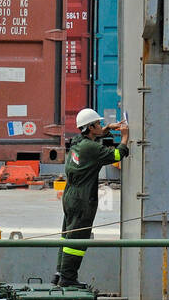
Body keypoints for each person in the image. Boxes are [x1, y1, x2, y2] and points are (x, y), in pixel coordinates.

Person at [54, 107, 130, 288]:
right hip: (82, 199)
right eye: (98, 123)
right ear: (89, 127)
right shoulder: (91, 148)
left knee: (67, 236)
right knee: (78, 239)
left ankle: (60, 273)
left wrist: (107, 129)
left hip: (70, 195)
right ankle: (68, 278)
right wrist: (125, 137)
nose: (101, 125)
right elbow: (117, 155)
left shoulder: (78, 142)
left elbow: (92, 137)